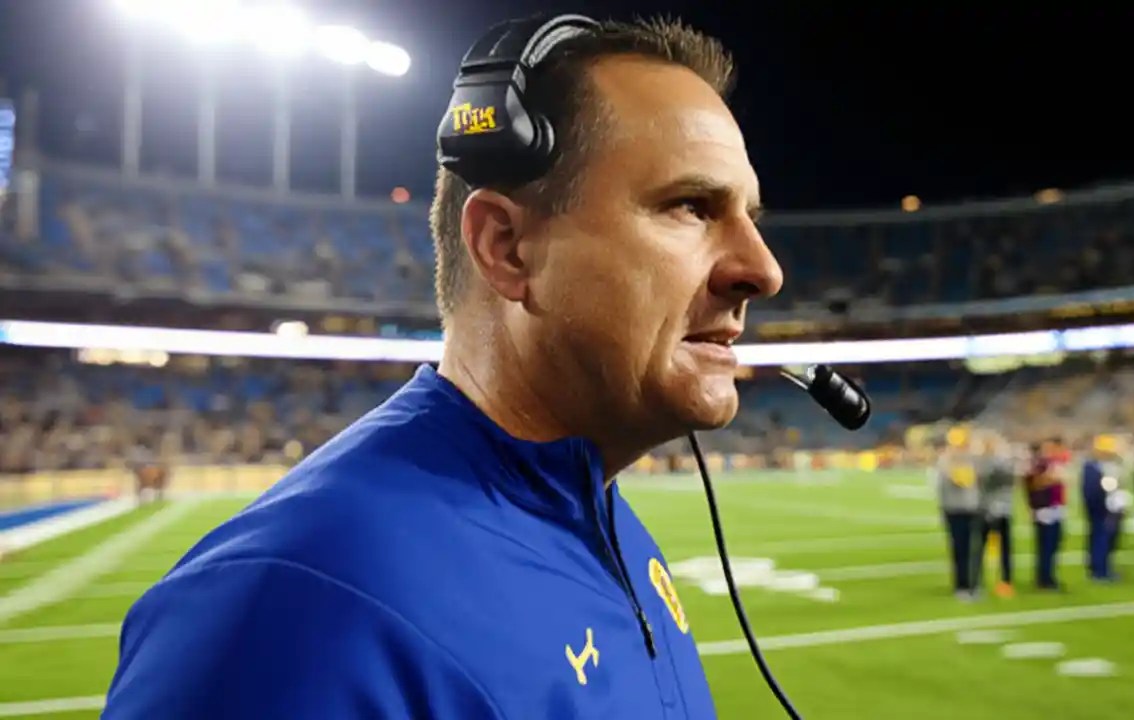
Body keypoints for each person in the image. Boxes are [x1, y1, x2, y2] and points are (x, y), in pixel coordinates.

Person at [102, 15, 781, 719]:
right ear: (507, 249)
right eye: (691, 208)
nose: (762, 269)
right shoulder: (294, 604)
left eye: (751, 217)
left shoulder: (602, 521)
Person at [933, 426, 982, 600]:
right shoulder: (946, 461)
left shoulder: (970, 460)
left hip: (971, 509)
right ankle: (962, 585)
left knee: (973, 549)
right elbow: (961, 480)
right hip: (955, 510)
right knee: (960, 549)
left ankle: (973, 583)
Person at [975, 429, 1016, 597]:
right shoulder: (988, 463)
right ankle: (981, 581)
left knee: (1002, 548)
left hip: (997, 509)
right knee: (984, 548)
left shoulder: (996, 463)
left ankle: (1004, 581)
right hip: (988, 509)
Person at [1080, 435, 1124, 582]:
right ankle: (1101, 571)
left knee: (1099, 538)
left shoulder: (1100, 466)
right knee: (1101, 539)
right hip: (1100, 509)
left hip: (1101, 509)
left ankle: (1098, 568)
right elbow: (1092, 491)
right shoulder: (1092, 467)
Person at [1024, 439, 1066, 591]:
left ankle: (1048, 576)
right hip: (1044, 509)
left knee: (1053, 545)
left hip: (1054, 507)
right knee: (1046, 546)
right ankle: (1044, 578)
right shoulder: (1039, 465)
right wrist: (1053, 478)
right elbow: (1034, 483)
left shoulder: (1048, 464)